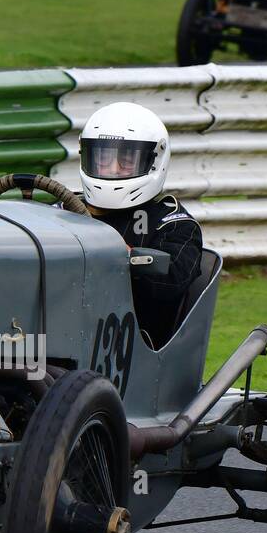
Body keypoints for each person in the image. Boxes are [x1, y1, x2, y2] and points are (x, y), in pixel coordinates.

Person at [79, 102, 202, 349]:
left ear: (154, 161)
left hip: (131, 347)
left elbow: (169, 287)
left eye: (125, 159)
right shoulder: (65, 210)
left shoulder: (174, 225)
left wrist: (120, 254)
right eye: (103, 158)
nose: (113, 169)